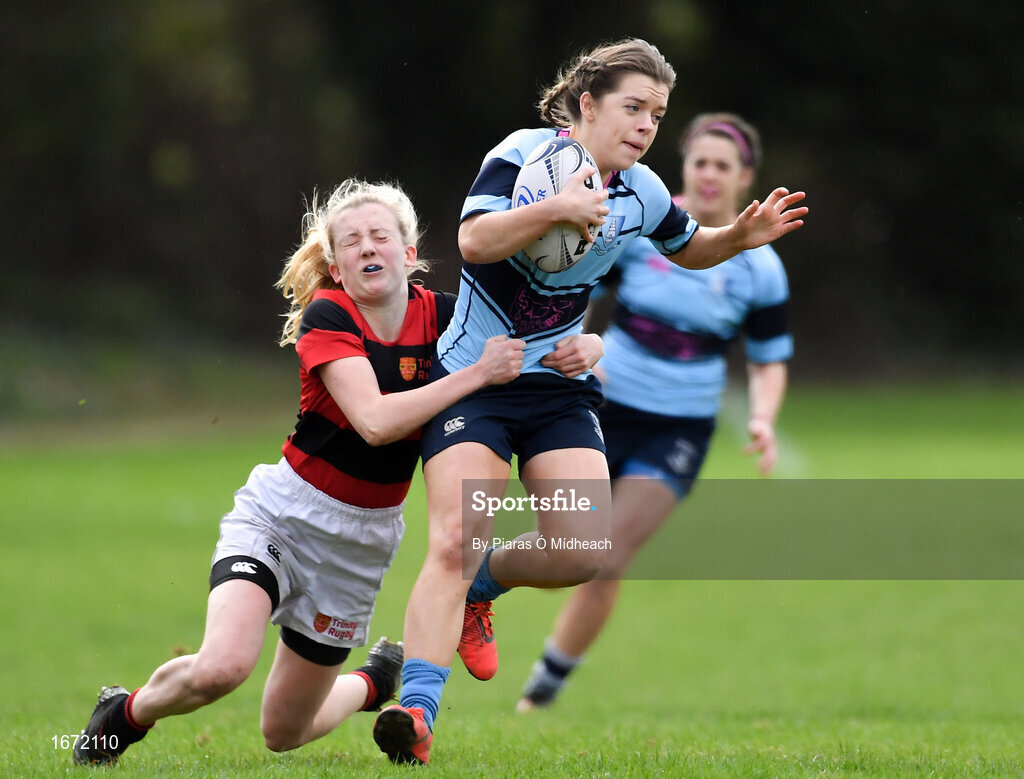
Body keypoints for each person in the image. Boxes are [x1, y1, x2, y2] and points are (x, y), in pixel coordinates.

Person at [371, 39, 807, 765]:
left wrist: (738, 236)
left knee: (582, 550)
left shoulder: (643, 192)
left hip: (558, 392)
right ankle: (416, 712)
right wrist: (556, 208)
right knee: (453, 540)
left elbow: (688, 247)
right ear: (587, 105)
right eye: (633, 108)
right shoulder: (522, 155)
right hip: (476, 381)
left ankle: (484, 586)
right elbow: (474, 240)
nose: (645, 126)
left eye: (657, 115)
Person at [72, 179, 526, 766]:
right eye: (352, 242)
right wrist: (476, 374)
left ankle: (372, 683)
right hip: (283, 517)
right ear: (336, 267)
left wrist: (589, 350)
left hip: (361, 543)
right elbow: (375, 422)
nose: (367, 247)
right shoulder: (329, 314)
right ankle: (122, 715)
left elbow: (532, 331)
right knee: (222, 668)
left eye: (380, 236)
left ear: (409, 253)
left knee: (284, 732)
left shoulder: (446, 318)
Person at [516, 112, 793, 711]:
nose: (710, 174)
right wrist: (584, 348)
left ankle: (542, 689)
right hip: (601, 406)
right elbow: (576, 287)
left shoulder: (759, 265)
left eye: (723, 166)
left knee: (608, 555)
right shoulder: (644, 225)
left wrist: (763, 417)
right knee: (565, 550)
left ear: (744, 177)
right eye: (700, 162)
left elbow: (769, 358)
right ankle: (479, 587)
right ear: (685, 167)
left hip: (678, 429)